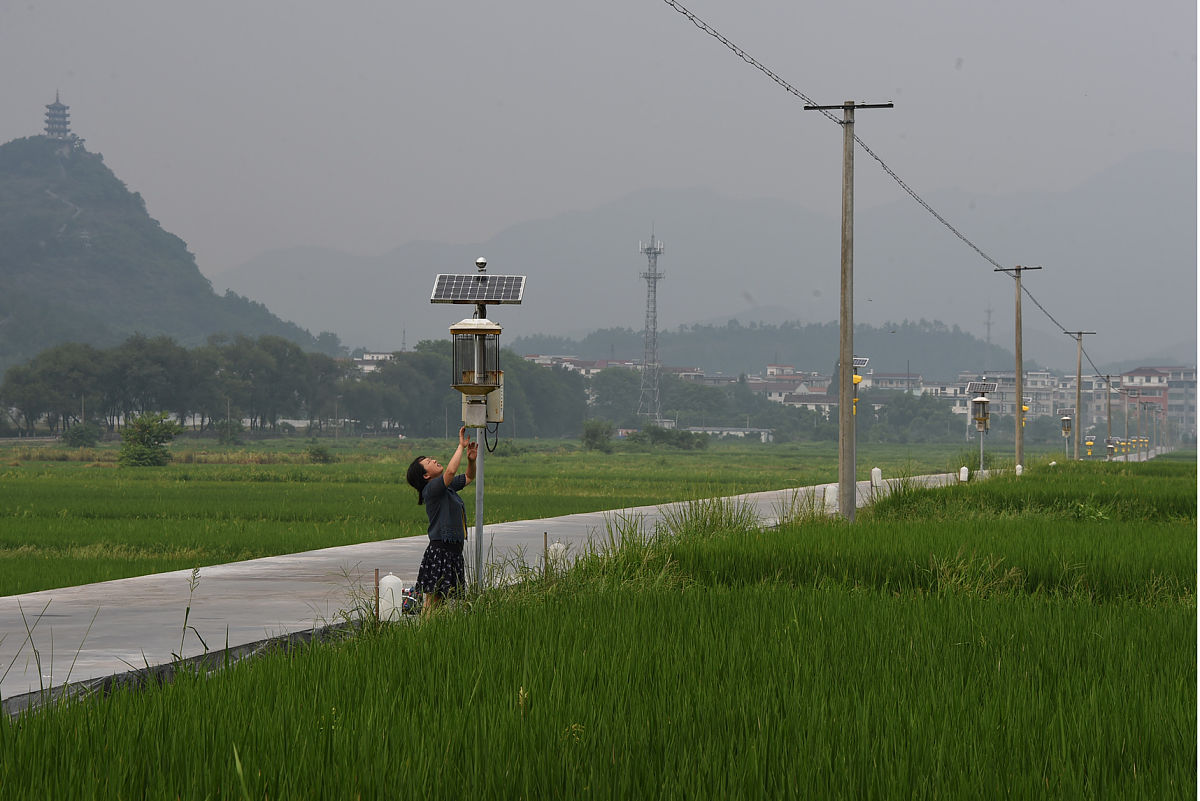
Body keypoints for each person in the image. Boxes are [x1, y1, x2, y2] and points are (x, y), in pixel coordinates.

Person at [406, 426, 477, 614]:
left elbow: (469, 477)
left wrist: (471, 461)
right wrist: (461, 447)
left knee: (441, 602)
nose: (434, 460)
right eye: (429, 462)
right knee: (434, 602)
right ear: (426, 476)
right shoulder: (432, 490)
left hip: (454, 550)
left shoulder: (446, 487)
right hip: (441, 551)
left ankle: (431, 633)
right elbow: (451, 472)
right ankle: (426, 634)